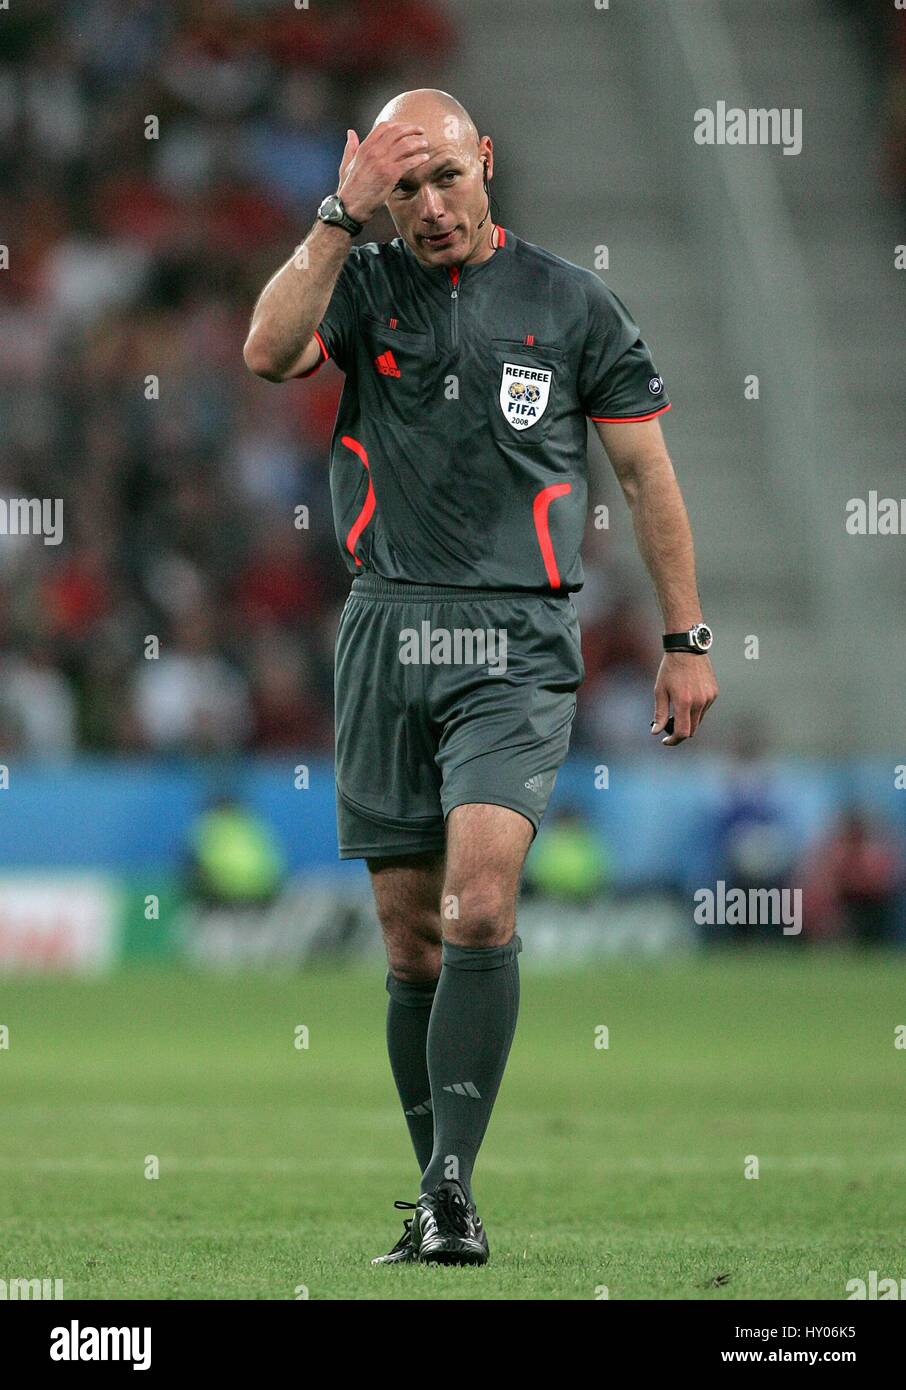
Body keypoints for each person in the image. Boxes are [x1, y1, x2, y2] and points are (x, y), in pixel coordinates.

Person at [244, 89, 718, 1266]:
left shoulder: (572, 303)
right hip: (387, 630)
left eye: (447, 177)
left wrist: (686, 636)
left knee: (483, 902)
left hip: (513, 637)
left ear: (487, 162)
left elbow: (650, 477)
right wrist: (335, 219)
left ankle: (454, 1190)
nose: (433, 205)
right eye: (405, 188)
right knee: (409, 943)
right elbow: (264, 352)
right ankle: (436, 1194)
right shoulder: (362, 281)